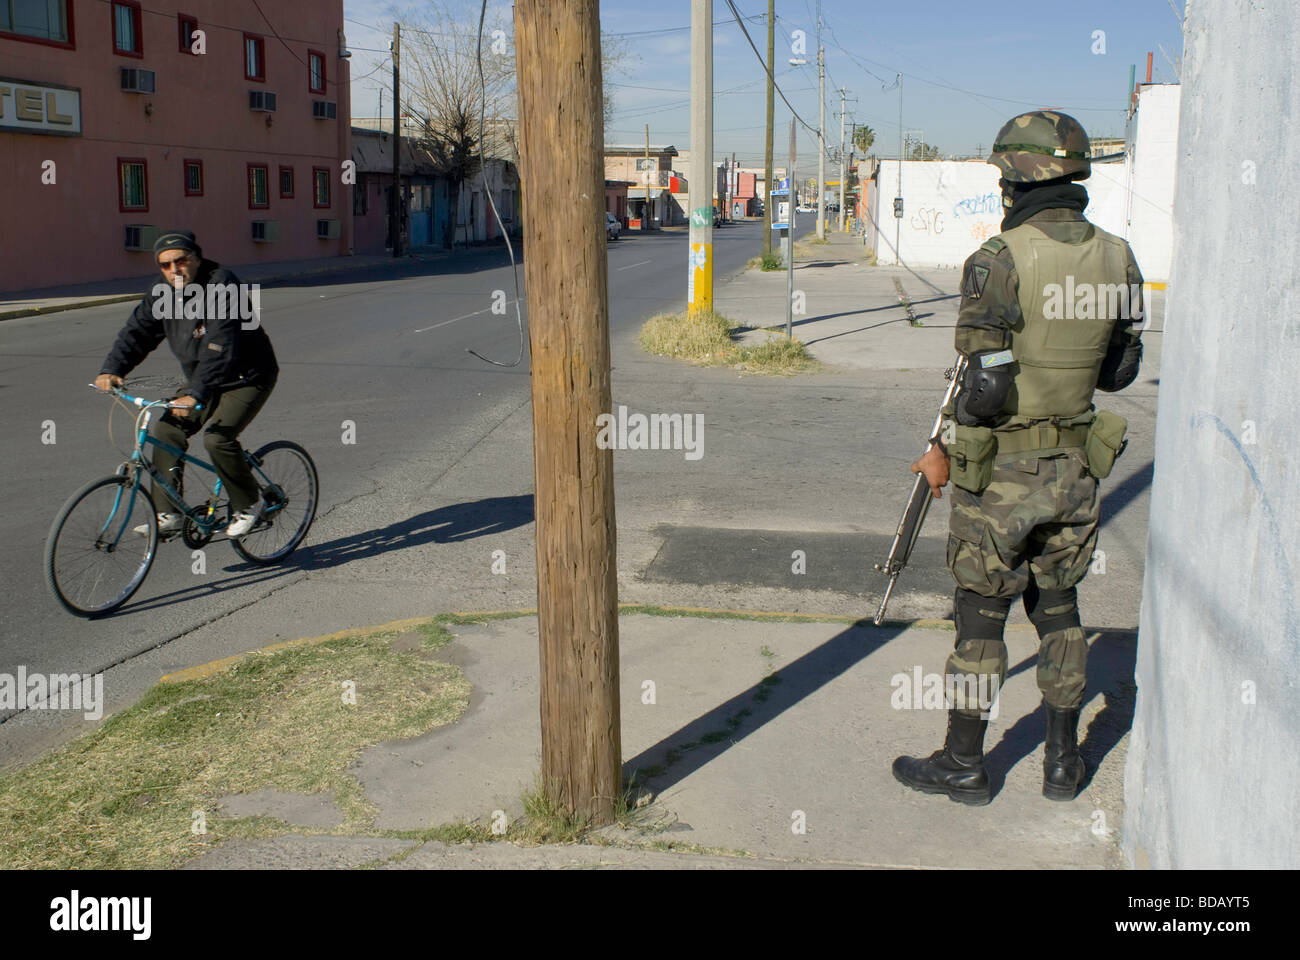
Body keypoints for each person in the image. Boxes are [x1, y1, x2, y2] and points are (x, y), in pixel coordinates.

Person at [892, 111, 1145, 805]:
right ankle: (1064, 765)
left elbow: (983, 387)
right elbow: (1121, 370)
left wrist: (947, 448)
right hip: (1076, 470)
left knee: (981, 618)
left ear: (1019, 175)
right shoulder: (1119, 256)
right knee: (1061, 609)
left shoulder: (998, 260)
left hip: (1002, 475)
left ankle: (965, 764)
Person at [94, 230, 279, 538]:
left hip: (247, 376)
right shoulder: (161, 291)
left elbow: (221, 344)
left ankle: (250, 505)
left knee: (218, 438)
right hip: (203, 379)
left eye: (181, 260)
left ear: (197, 258)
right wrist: (112, 369)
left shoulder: (221, 283)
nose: (174, 270)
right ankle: (169, 513)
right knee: (167, 430)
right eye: (165, 265)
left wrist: (195, 393)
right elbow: (138, 332)